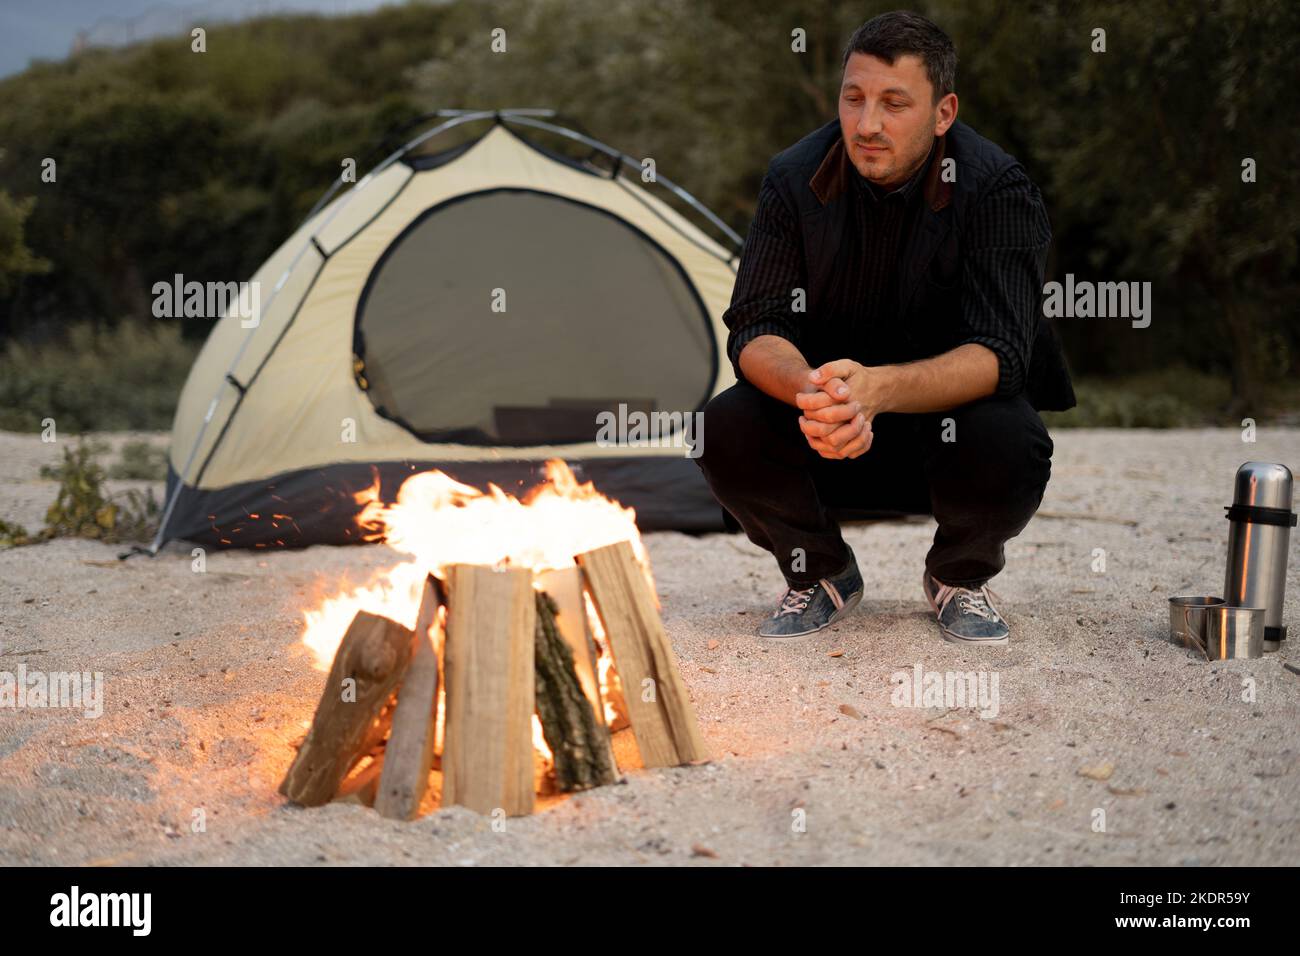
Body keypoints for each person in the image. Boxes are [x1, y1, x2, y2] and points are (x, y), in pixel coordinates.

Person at [696, 10, 1076, 645]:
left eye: (894, 103)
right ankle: (820, 573)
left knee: (1015, 439)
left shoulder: (996, 187)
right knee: (720, 426)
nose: (867, 124)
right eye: (854, 98)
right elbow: (755, 325)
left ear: (943, 112)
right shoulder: (793, 178)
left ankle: (959, 576)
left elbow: (1001, 354)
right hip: (826, 430)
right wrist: (815, 392)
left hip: (949, 437)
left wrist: (877, 390)